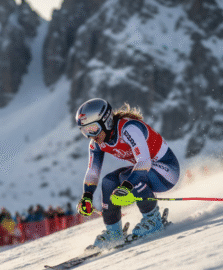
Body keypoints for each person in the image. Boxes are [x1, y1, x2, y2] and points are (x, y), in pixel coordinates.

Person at [75, 98, 180, 249]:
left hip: (167, 171)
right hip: (147, 171)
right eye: (85, 131)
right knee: (108, 181)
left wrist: (127, 186)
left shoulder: (129, 129)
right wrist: (87, 196)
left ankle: (153, 220)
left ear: (106, 121)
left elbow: (144, 162)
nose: (91, 135)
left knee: (125, 177)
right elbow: (92, 171)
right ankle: (114, 233)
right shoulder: (97, 143)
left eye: (93, 129)